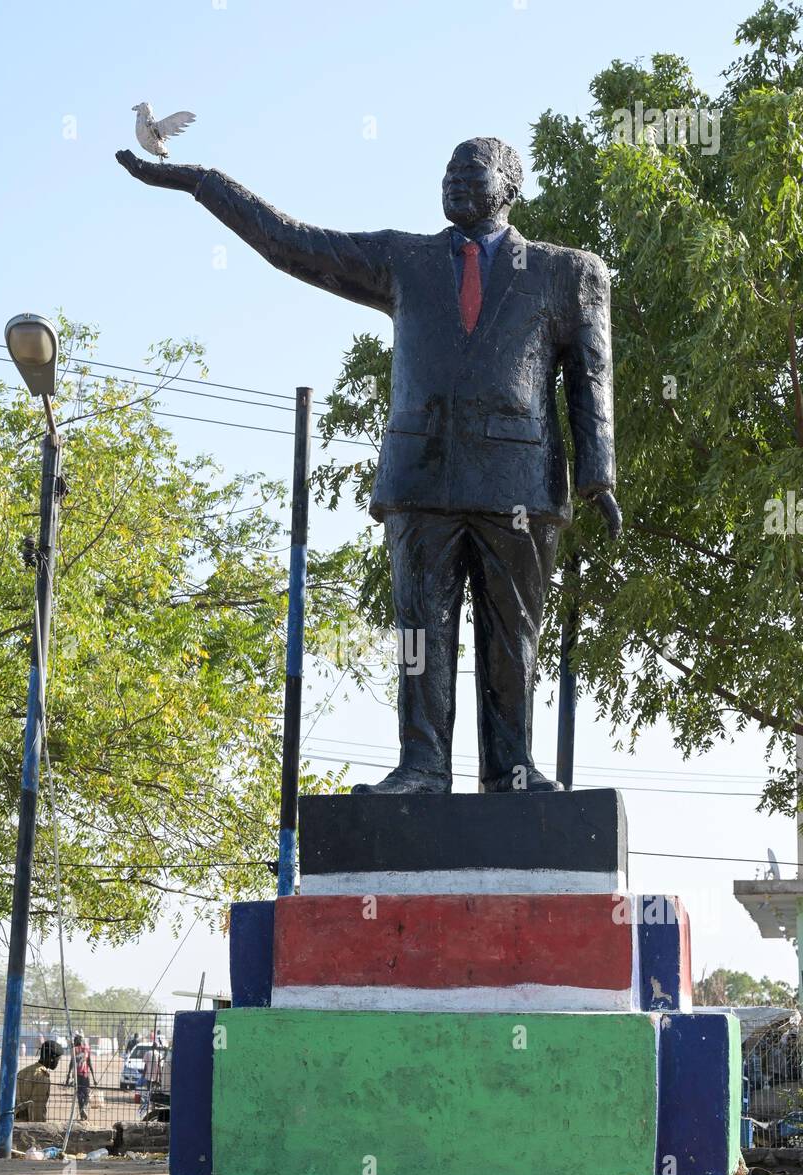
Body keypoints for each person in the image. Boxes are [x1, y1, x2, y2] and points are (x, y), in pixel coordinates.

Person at [116, 136, 621, 794]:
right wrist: (202, 182)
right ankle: (422, 765)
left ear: (509, 184)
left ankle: (513, 768)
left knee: (511, 640)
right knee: (420, 634)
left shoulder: (569, 272)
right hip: (420, 478)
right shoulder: (402, 259)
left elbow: (592, 378)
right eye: (448, 171)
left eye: (472, 172)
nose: (455, 182)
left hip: (519, 480)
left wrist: (598, 476)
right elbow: (290, 242)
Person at [15, 1040, 63, 1121]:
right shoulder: (42, 1077)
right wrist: (39, 1128)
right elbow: (37, 1108)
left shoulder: (23, 1072)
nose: (57, 1062)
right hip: (29, 1127)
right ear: (51, 1058)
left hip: (16, 1123)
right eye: (57, 1059)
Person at [66, 1033, 98, 1121]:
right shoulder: (86, 1049)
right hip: (85, 1075)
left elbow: (71, 1064)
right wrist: (94, 1078)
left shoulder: (73, 1050)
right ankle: (84, 1108)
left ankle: (81, 1114)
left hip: (77, 1076)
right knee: (87, 1094)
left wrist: (68, 1077)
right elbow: (89, 1063)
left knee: (79, 1095)